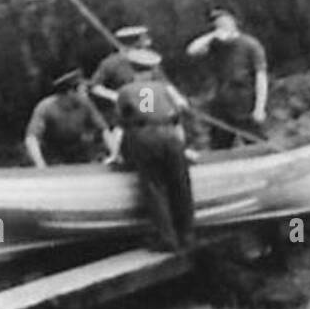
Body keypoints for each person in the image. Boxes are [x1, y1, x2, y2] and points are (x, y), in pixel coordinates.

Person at [110, 48, 195, 253]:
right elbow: (180, 113)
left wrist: (115, 154)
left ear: (132, 69)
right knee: (180, 184)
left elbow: (120, 125)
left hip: (146, 138)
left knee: (154, 187)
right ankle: (187, 235)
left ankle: (167, 238)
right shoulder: (164, 88)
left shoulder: (126, 91)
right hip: (171, 136)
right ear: (153, 69)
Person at [185, 6, 268, 149]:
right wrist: (212, 35)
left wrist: (259, 108)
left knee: (257, 144)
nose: (220, 25)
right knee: (219, 145)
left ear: (233, 22)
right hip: (221, 103)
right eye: (217, 23)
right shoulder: (214, 45)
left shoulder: (250, 44)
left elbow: (261, 78)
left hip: (244, 101)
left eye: (223, 22)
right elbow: (192, 51)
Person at [23, 69, 115, 167]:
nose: (85, 92)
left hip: (80, 154)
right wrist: (40, 164)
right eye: (82, 89)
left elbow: (104, 130)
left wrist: (114, 154)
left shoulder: (85, 104)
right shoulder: (45, 107)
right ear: (71, 92)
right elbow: (31, 138)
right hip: (53, 155)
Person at [90, 25, 153, 116]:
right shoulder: (112, 63)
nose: (147, 43)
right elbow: (95, 86)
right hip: (127, 116)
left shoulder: (150, 60)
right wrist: (116, 97)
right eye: (143, 38)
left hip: (151, 113)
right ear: (134, 42)